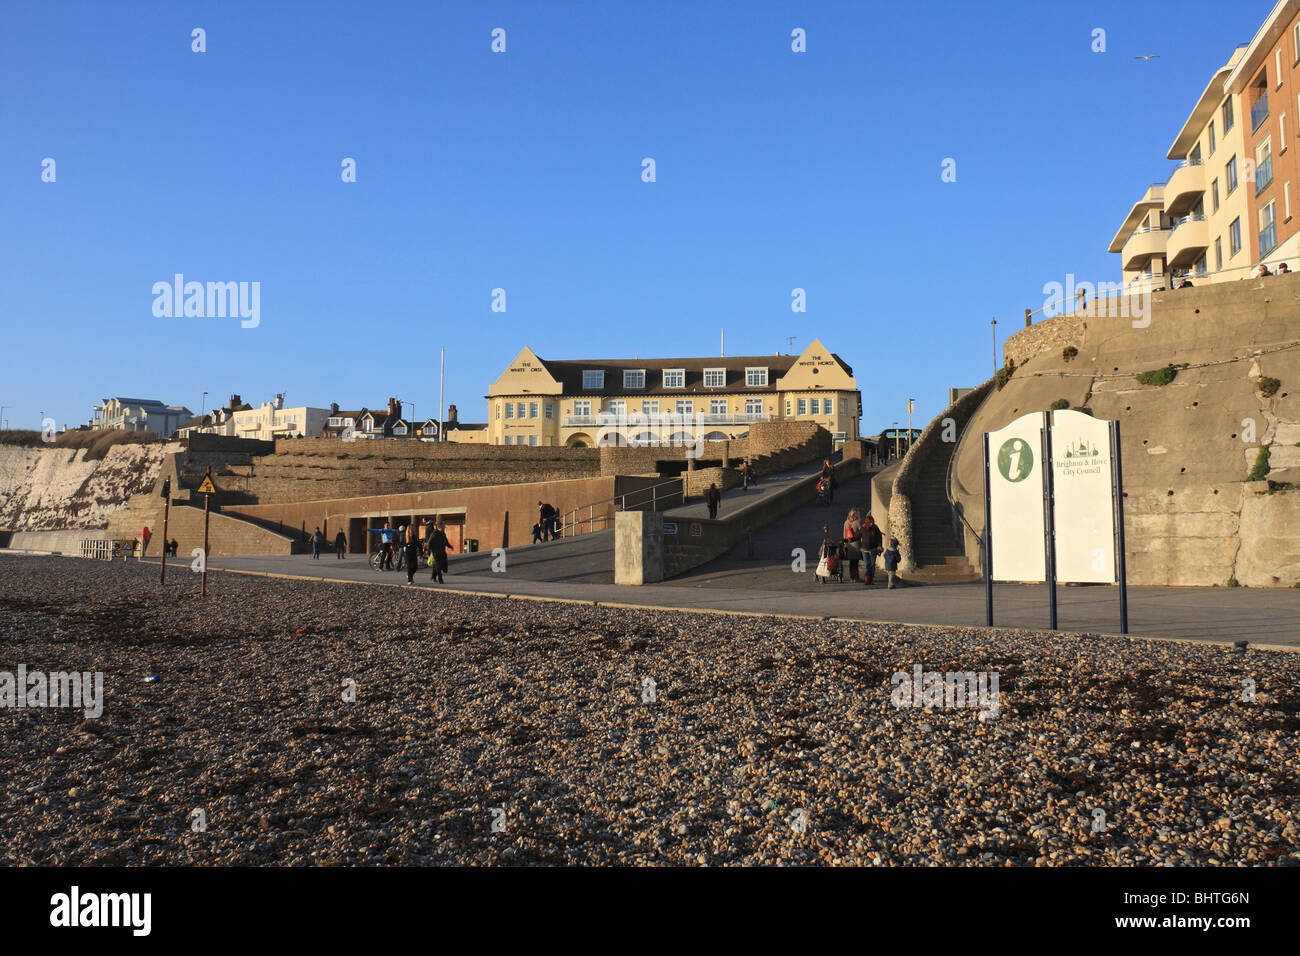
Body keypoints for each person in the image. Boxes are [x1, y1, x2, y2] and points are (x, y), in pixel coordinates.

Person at [862, 513, 884, 585]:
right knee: (866, 564)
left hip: (873, 549)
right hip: (865, 549)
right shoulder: (863, 528)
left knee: (872, 564)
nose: (871, 523)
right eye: (869, 522)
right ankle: (866, 579)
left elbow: (879, 538)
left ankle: (870, 579)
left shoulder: (875, 528)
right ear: (866, 522)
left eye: (871, 522)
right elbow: (857, 535)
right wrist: (850, 539)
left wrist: (879, 546)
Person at [842, 508, 863, 582]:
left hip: (849, 545)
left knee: (851, 563)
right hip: (856, 545)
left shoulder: (846, 522)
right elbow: (862, 533)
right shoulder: (858, 522)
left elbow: (844, 535)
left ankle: (852, 577)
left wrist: (845, 545)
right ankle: (856, 578)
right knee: (856, 562)